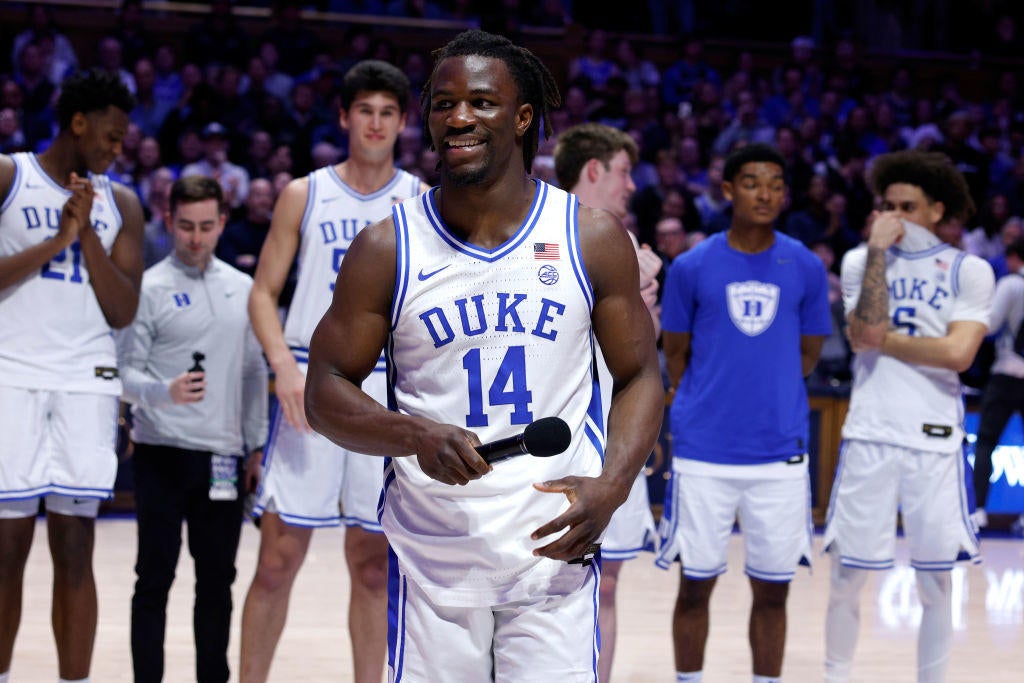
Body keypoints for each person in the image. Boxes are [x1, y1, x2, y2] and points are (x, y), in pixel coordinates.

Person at [304, 29, 664, 681]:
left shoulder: (588, 235)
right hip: (434, 561)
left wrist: (613, 485)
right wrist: (414, 433)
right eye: (443, 104)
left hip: (552, 549)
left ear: (523, 118)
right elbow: (325, 388)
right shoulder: (387, 247)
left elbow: (640, 372)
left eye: (480, 101)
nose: (459, 117)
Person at [239, 59, 426, 683]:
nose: (375, 123)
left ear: (402, 123)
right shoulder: (304, 192)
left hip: (382, 389)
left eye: (387, 113)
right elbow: (263, 293)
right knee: (277, 560)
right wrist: (281, 369)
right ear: (345, 117)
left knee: (373, 564)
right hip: (307, 381)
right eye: (364, 111)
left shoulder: (419, 203)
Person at [656, 143, 832, 683]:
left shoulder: (804, 264)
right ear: (728, 189)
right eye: (753, 182)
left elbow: (807, 354)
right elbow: (676, 353)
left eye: (777, 184)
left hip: (779, 453)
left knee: (774, 591)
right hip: (704, 452)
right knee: (695, 585)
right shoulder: (691, 265)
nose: (767, 193)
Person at [823, 150, 995, 683]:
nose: (894, 216)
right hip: (870, 432)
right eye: (886, 205)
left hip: (937, 438)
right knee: (846, 577)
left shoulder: (971, 270)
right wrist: (876, 254)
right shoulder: (859, 261)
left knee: (935, 583)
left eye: (908, 206)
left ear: (937, 210)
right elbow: (864, 330)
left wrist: (881, 341)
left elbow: (959, 355)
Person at [0, 68, 142, 682]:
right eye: (110, 136)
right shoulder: (10, 176)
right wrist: (59, 237)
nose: (117, 149)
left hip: (87, 381)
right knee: (6, 552)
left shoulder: (123, 204)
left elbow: (122, 309)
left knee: (77, 548)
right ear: (78, 123)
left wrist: (85, 238)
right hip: (11, 376)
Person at [118, 175, 268, 683]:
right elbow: (124, 375)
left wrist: (256, 446)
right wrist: (165, 391)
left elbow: (252, 373)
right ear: (168, 221)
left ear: (223, 223)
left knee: (217, 582)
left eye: (206, 226)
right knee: (154, 579)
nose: (196, 238)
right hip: (160, 453)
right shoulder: (148, 287)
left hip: (223, 457)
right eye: (186, 227)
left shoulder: (244, 288)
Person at [552, 121, 661, 682]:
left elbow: (642, 356)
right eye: (623, 172)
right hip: (553, 431)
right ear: (594, 170)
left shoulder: (630, 247)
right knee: (534, 578)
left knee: (609, 580)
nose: (630, 185)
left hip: (613, 430)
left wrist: (648, 301)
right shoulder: (541, 230)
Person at [972, 237, 1024, 530]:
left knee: (987, 443)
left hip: (1007, 372)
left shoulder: (1012, 284)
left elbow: (989, 325)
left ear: (1014, 257)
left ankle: (978, 509)